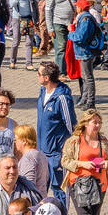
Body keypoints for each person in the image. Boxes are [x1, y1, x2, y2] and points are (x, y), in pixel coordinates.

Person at [60, 108, 108, 215]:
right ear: (85, 123)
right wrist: (82, 164)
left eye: (99, 122)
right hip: (79, 184)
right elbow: (65, 160)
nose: (98, 125)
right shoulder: (74, 141)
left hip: (100, 184)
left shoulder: (103, 141)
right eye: (94, 122)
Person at [36, 60, 76, 202]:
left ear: (46, 78)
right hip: (42, 151)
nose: (37, 76)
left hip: (56, 154)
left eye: (39, 73)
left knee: (59, 189)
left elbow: (71, 126)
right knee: (40, 188)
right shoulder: (43, 91)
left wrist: (69, 150)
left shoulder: (62, 98)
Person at [14, 124, 50, 200]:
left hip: (32, 201)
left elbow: (28, 183)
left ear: (24, 141)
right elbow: (46, 179)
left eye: (16, 139)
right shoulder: (41, 154)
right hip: (42, 197)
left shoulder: (28, 157)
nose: (15, 142)